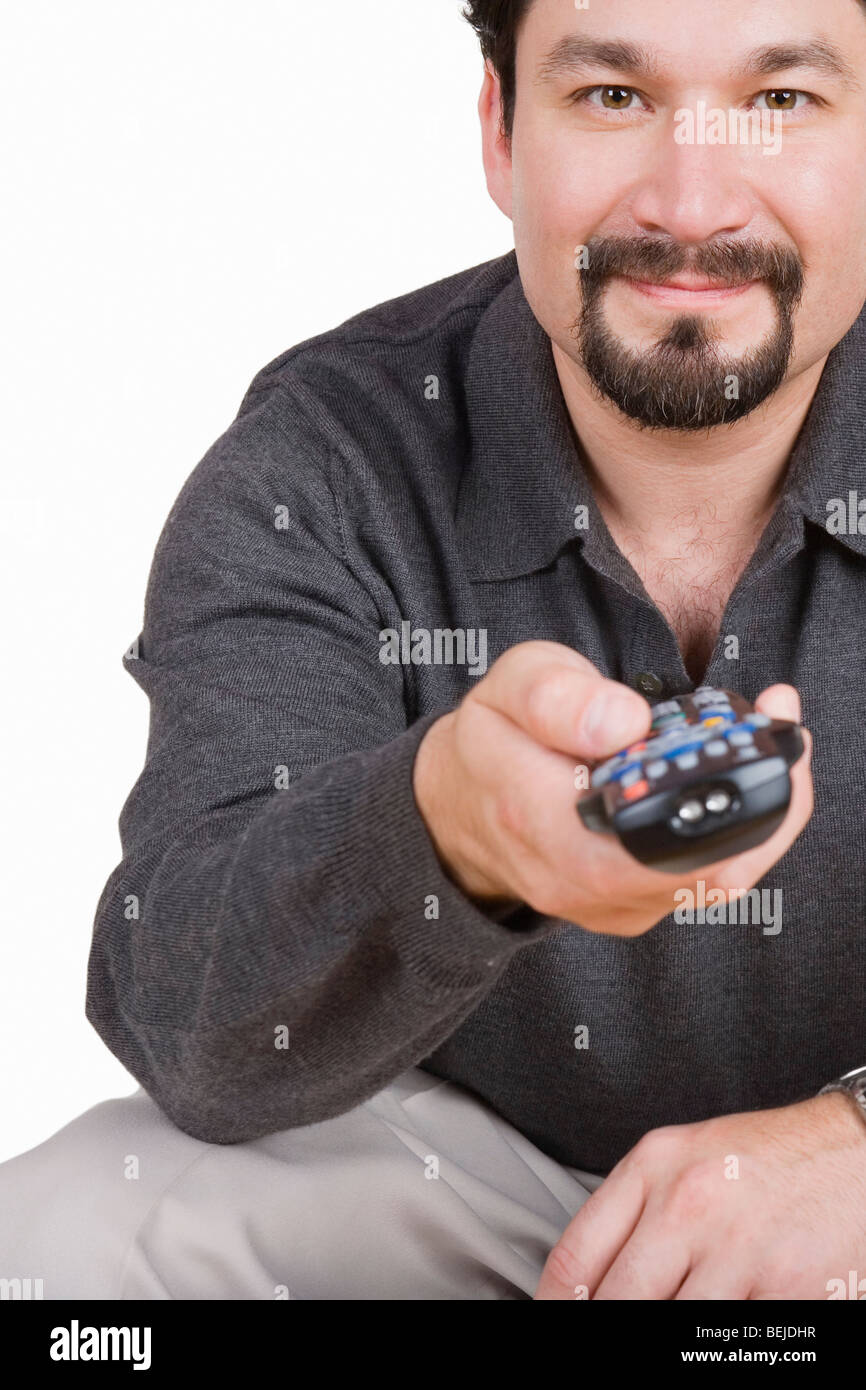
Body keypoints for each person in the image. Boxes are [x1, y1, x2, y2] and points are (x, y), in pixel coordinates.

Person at [3, 0, 866, 1301]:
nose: (692, 204)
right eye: (613, 97)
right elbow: (183, 1016)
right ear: (499, 132)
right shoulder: (323, 459)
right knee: (66, 1236)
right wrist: (446, 836)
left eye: (779, 101)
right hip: (477, 1192)